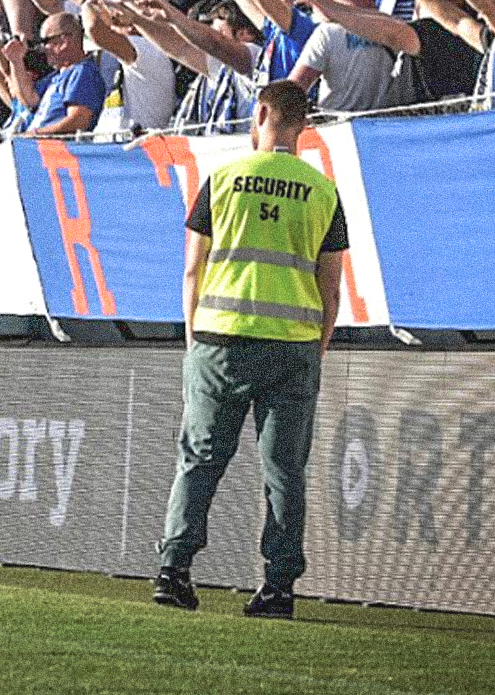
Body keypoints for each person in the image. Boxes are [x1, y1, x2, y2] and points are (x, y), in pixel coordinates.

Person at [154, 79, 347, 620]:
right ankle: (279, 587)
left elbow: (193, 270)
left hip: (221, 339)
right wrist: (316, 348)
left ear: (261, 114)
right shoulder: (323, 192)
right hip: (293, 347)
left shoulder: (222, 179)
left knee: (200, 459)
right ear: (303, 124)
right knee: (284, 471)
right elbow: (331, 289)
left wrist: (194, 340)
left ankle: (174, 570)